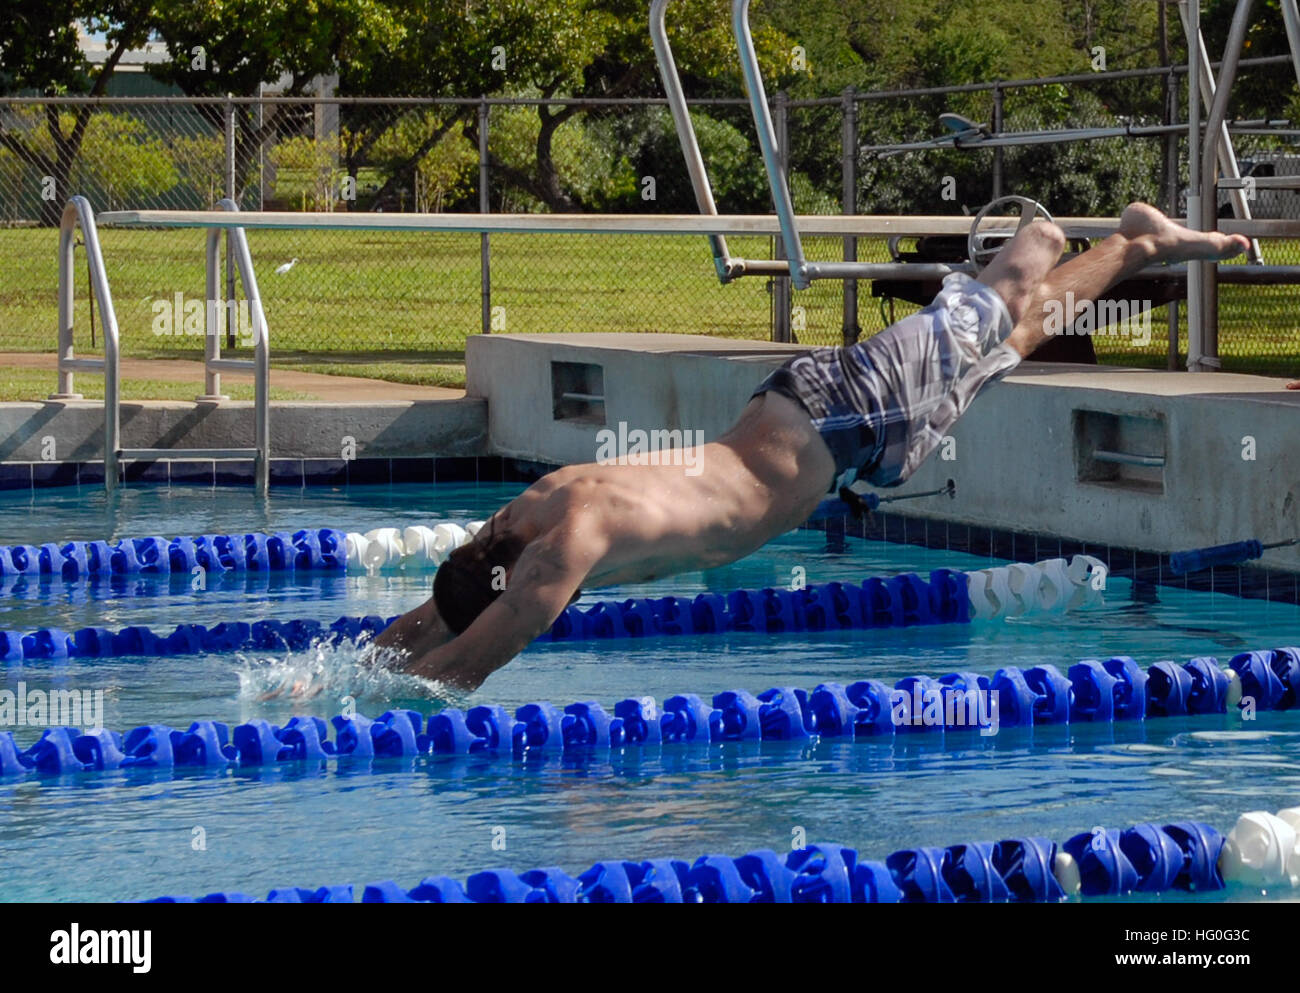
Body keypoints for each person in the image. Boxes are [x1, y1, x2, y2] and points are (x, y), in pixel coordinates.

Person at [373, 203, 1248, 690]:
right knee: (1009, 347)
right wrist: (357, 658)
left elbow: (475, 653)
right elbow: (455, 604)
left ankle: (1034, 233)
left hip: (841, 415)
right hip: (838, 431)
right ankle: (1136, 245)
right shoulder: (535, 506)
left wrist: (374, 710)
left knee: (1013, 286)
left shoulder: (567, 543)